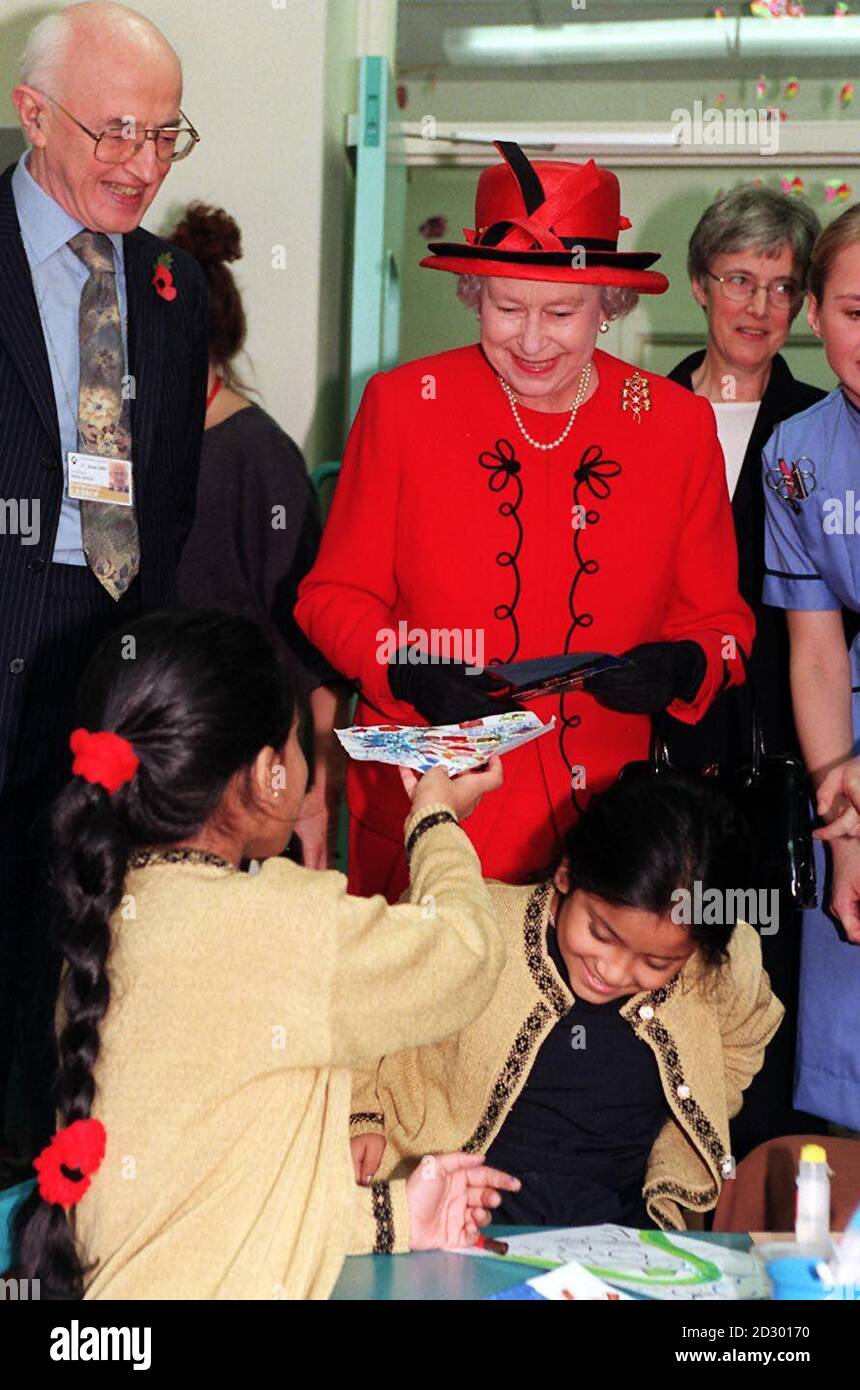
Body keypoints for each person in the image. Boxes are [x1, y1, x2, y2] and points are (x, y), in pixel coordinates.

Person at [296, 141, 754, 903]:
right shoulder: (403, 405)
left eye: (562, 313)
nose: (534, 341)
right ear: (473, 293)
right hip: (430, 810)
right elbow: (330, 596)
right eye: (507, 308)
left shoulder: (675, 424)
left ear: (610, 305)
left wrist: (684, 666)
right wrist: (402, 666)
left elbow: (724, 623)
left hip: (609, 838)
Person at [14, 609, 519, 1300]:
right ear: (265, 774)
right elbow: (465, 956)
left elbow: (210, 1198)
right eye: (297, 742)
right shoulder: (278, 923)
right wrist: (435, 819)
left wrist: (399, 1214)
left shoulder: (105, 923)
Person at [0, 2, 208, 1155]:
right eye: (114, 132)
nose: (141, 166)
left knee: (71, 994)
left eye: (166, 136)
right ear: (34, 115)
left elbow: (165, 516)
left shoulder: (174, 293)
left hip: (103, 676)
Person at [350, 774, 783, 1230]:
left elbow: (748, 1032)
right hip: (456, 1215)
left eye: (655, 962)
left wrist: (704, 1101)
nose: (613, 972)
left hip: (622, 1227)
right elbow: (367, 1004)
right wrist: (364, 1115)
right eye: (601, 933)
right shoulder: (480, 923)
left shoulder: (720, 964)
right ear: (566, 873)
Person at [667, 186, 827, 1157]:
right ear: (699, 286)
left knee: (765, 972)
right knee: (664, 962)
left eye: (779, 285)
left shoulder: (820, 427)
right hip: (660, 748)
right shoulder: (636, 413)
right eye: (738, 279)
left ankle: (756, 1189)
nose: (757, 306)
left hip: (782, 759)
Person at [168, 202, 347, 868]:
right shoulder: (123, 452)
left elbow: (314, 648)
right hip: (154, 765)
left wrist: (314, 790)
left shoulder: (259, 459)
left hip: (248, 775)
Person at [762, 202, 860, 1133]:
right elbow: (817, 651)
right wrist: (847, 823)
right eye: (857, 311)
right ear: (817, 315)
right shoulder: (797, 456)